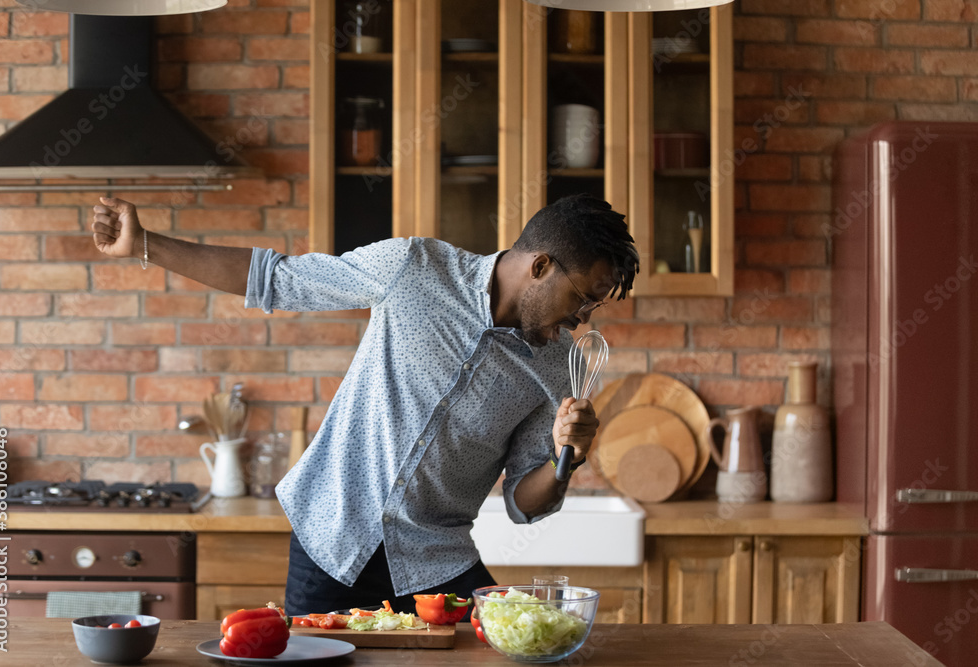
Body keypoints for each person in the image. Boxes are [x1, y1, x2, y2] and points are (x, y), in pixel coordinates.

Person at [91, 193, 638, 615]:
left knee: (520, 644)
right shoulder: (414, 269)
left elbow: (525, 504)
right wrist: (147, 244)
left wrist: (565, 459)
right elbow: (277, 281)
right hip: (331, 540)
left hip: (434, 561)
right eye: (583, 296)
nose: (584, 317)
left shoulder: (555, 365)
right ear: (541, 266)